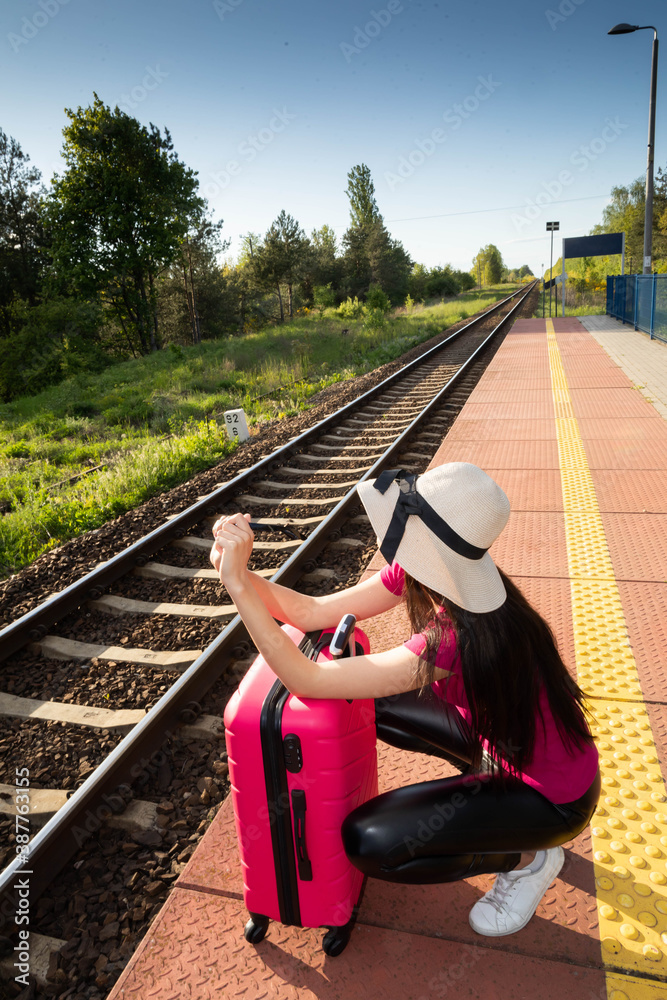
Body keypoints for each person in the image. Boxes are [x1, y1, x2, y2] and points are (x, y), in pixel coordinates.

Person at [210, 462, 600, 937]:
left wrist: (235, 584)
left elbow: (306, 679)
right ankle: (494, 807)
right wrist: (239, 569)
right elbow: (311, 611)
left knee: (370, 843)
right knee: (377, 702)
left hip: (554, 798)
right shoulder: (433, 571)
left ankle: (527, 858)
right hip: (500, 745)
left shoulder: (455, 638)